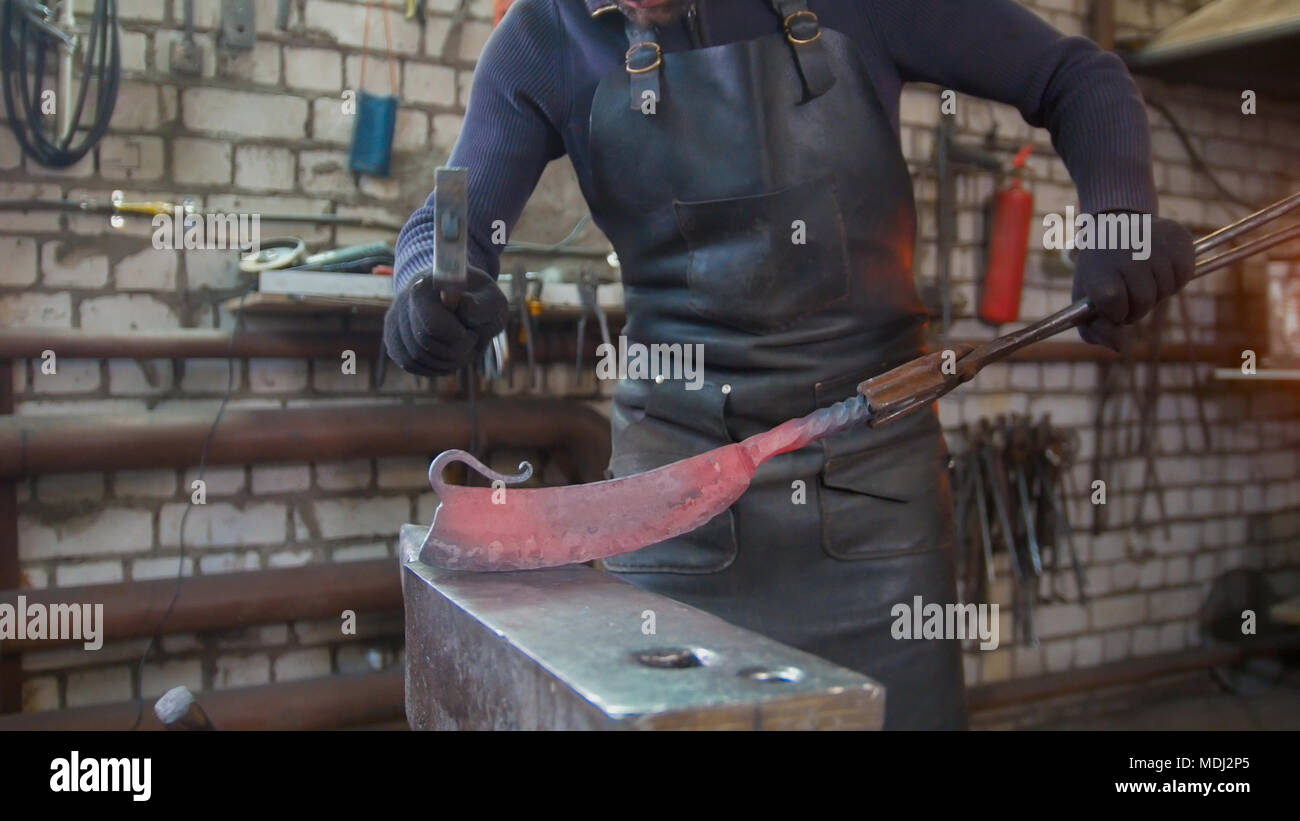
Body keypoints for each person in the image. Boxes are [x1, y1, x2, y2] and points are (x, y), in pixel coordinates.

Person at [384, 0, 1196, 729]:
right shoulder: (543, 34)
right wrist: (429, 282)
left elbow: (1076, 74)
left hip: (875, 494)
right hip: (674, 505)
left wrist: (1117, 218)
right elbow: (453, 210)